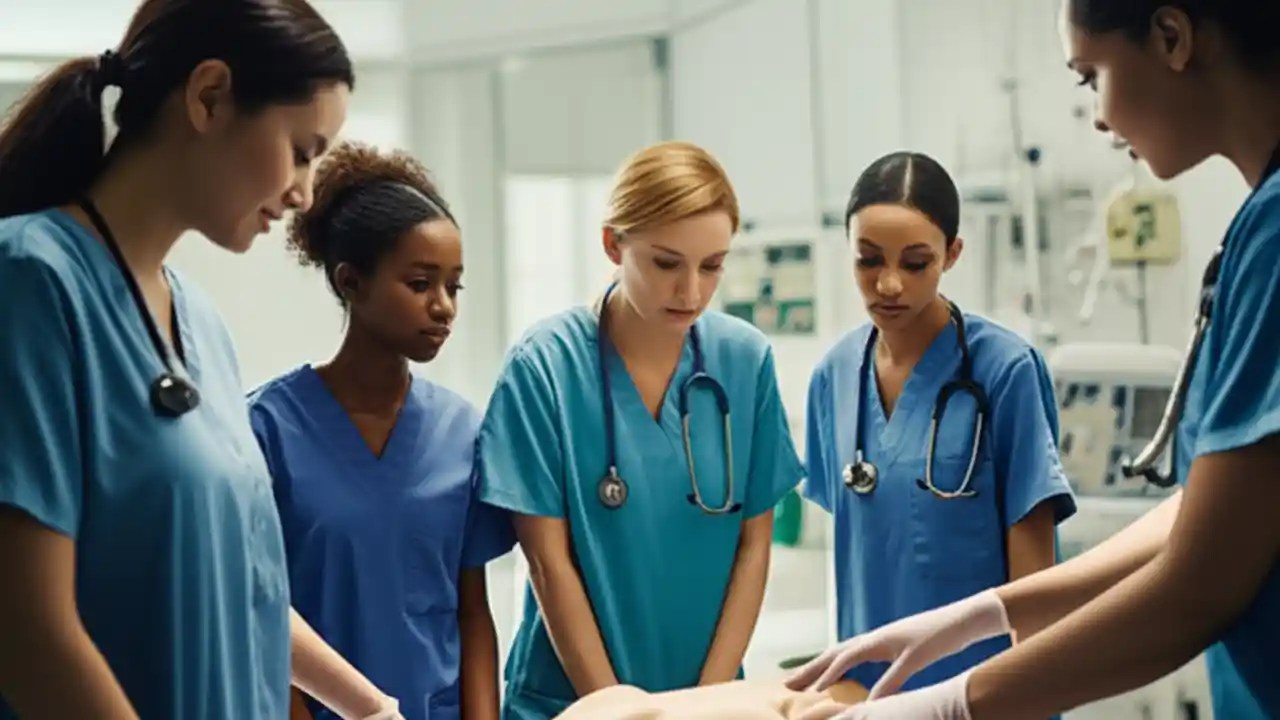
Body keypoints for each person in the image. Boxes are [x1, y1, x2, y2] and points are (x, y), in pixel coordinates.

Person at [788, 1, 1280, 718]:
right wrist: (984, 613)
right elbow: (1200, 517)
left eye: (1090, 78)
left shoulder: (1271, 242)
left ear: (1171, 39)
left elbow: (1201, 582)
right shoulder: (1258, 231)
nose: (1099, 120)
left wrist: (947, 704)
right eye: (868, 260)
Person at [0, 2, 402, 718]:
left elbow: (238, 587)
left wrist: (371, 708)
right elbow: (27, 631)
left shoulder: (201, 325)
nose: (306, 191)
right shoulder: (31, 281)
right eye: (302, 150)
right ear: (209, 96)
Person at [474, 140, 805, 719]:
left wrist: (706, 704)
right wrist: (618, 712)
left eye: (713, 266)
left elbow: (754, 547)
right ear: (613, 244)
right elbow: (549, 565)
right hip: (574, 701)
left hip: (709, 698)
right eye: (666, 263)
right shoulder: (545, 367)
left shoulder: (744, 361)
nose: (692, 291)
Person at [793, 151, 1076, 701]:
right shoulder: (834, 376)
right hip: (872, 694)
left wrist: (1026, 698)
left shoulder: (1004, 370)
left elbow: (1035, 577)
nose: (889, 284)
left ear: (952, 254)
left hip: (986, 692)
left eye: (916, 262)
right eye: (868, 261)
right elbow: (859, 553)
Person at [248, 140, 515, 720]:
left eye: (454, 286)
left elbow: (472, 613)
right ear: (351, 281)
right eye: (420, 284)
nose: (444, 307)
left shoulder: (462, 432)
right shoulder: (266, 431)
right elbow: (260, 612)